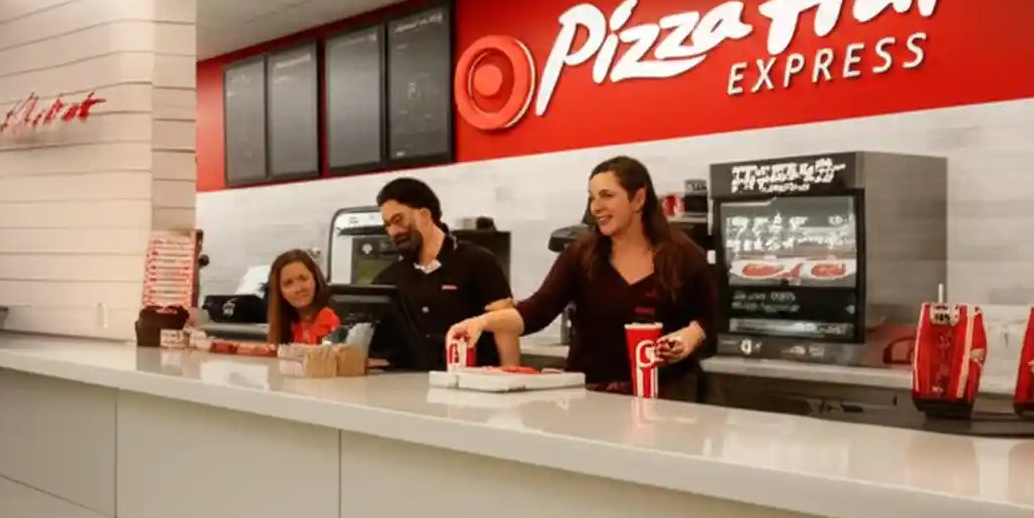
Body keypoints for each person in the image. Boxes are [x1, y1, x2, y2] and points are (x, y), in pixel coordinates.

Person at [447, 156, 717, 400]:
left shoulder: (683, 255)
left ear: (638, 199)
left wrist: (692, 335)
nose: (596, 207)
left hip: (666, 398)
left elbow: (712, 318)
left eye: (607, 196)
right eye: (591, 198)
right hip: (593, 399)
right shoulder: (581, 255)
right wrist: (481, 322)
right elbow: (537, 311)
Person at [374, 178, 518, 369]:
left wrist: (512, 375)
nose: (393, 232)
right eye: (387, 225)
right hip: (408, 389)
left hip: (474, 385)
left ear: (425, 215)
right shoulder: (388, 280)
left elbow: (505, 326)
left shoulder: (477, 262)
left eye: (398, 220)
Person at [266, 249, 341, 345]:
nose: (298, 289)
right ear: (279, 291)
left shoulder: (329, 319)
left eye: (303, 278)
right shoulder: (283, 324)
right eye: (288, 283)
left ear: (315, 279)